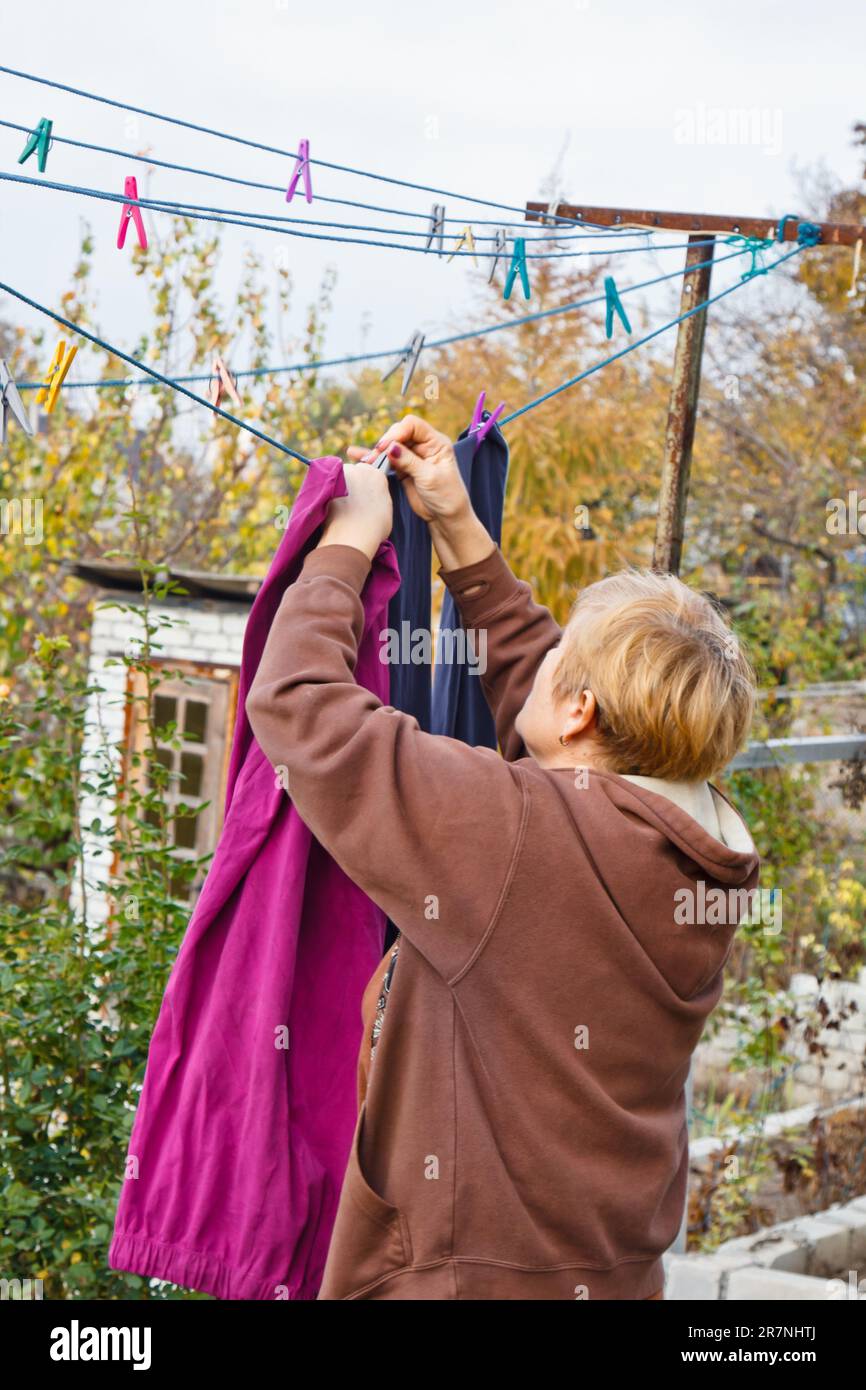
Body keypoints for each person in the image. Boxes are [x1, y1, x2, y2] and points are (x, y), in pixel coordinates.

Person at [246, 415, 760, 1301]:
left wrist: (348, 543)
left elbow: (301, 708)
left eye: (565, 653)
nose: (545, 649)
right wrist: (457, 527)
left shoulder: (515, 832)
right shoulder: (697, 845)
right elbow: (556, 713)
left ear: (582, 715)